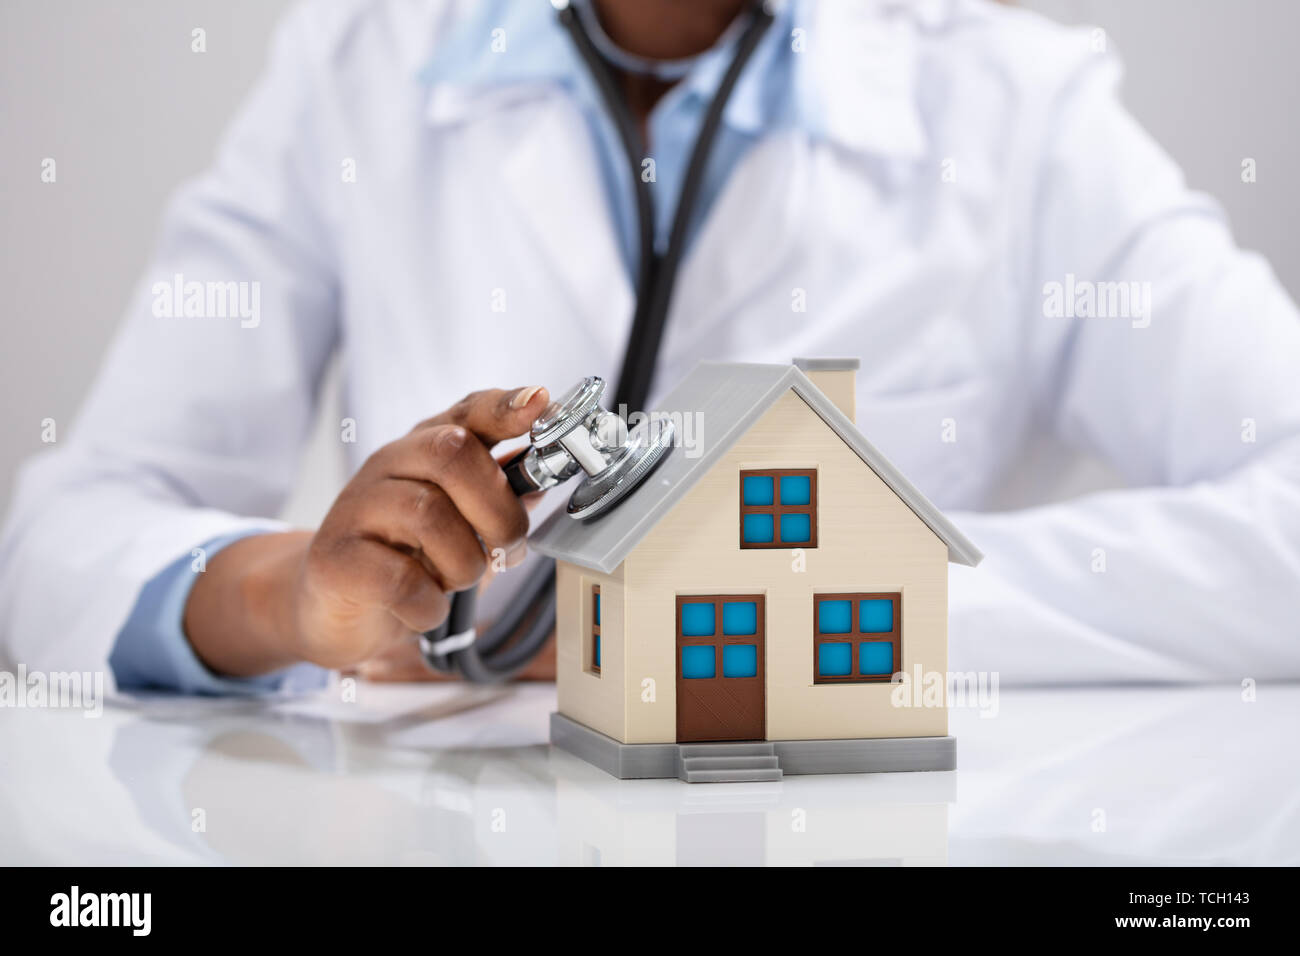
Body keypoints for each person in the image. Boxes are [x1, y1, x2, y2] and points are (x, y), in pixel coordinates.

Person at [1, 0, 1297, 695]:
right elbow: (64, 536)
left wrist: (796, 608)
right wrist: (296, 603)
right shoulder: (359, 58)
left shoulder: (1019, 110)